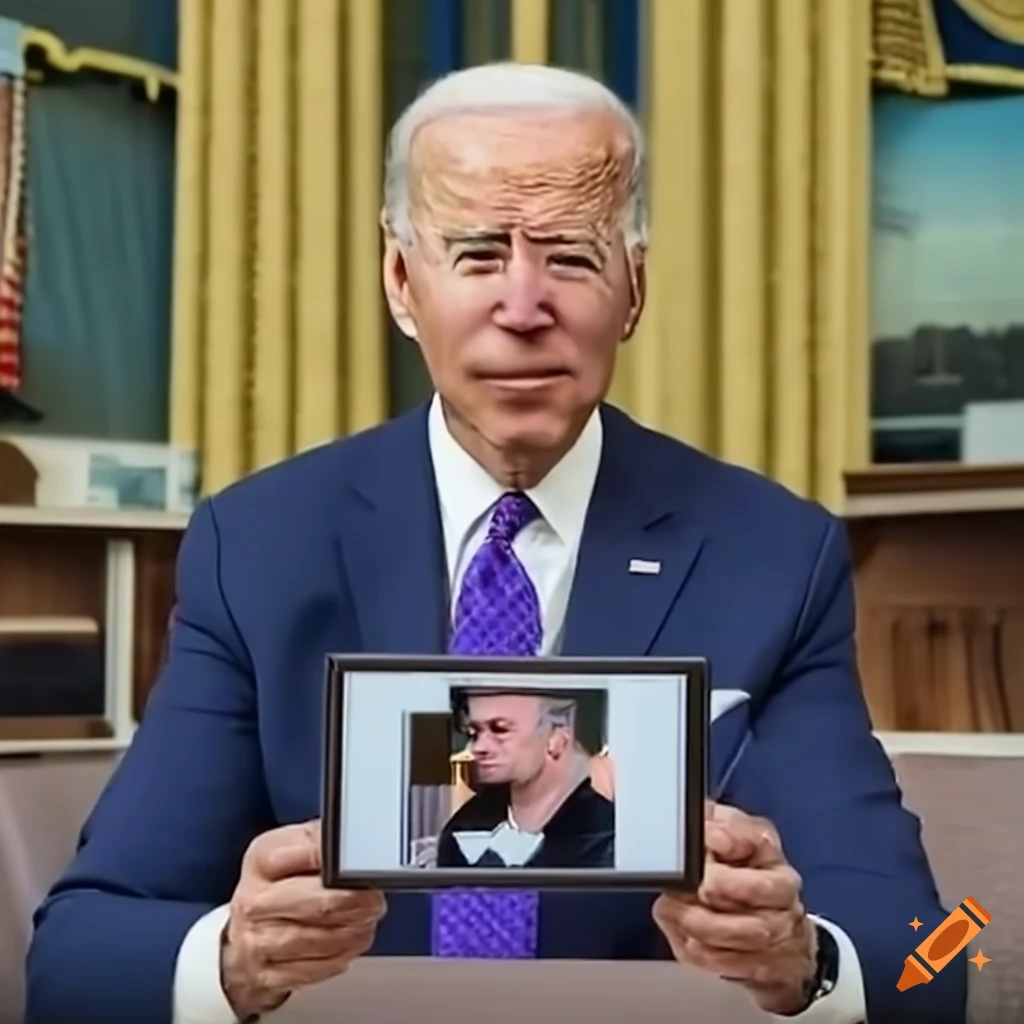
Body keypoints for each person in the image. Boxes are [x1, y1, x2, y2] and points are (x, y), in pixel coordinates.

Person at [23, 61, 965, 1024]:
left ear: (634, 286)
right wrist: (233, 959)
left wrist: (808, 964)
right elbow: (76, 959)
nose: (522, 308)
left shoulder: (776, 556)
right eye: (477, 255)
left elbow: (933, 960)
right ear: (401, 280)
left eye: (571, 257)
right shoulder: (257, 548)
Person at [436, 691, 614, 869]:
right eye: (473, 733)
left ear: (557, 734)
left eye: (500, 729)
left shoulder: (607, 835)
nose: (478, 748)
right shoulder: (463, 829)